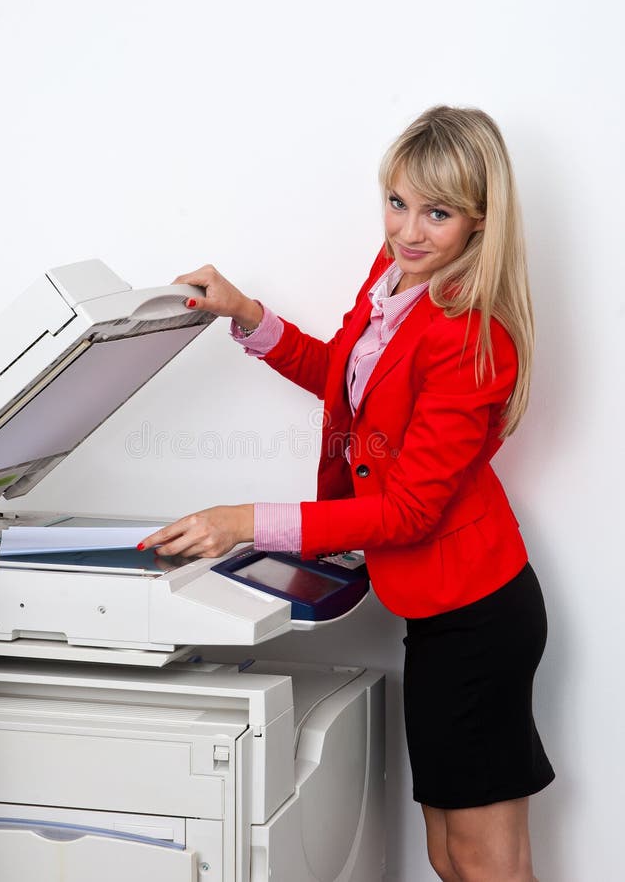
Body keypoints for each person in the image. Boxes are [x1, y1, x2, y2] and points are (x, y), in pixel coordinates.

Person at [140, 105, 554, 881]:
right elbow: (344, 380)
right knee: (447, 853)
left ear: (479, 222)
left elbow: (408, 510)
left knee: (484, 862)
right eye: (397, 202)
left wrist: (244, 523)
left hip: (477, 617)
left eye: (436, 213)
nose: (407, 230)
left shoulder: (471, 337)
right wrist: (246, 314)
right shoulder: (394, 276)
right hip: (432, 614)